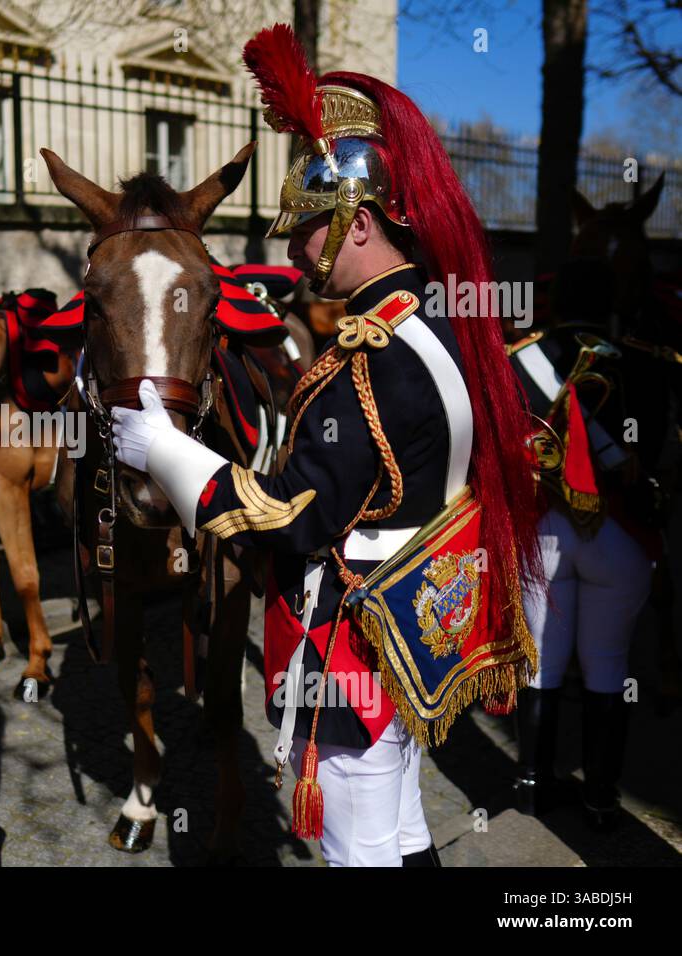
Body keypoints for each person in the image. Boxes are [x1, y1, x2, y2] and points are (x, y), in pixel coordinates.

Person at [110, 23, 543, 866]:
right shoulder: (442, 327)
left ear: (358, 219)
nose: (294, 246)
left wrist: (161, 446)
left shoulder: (368, 361)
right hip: (421, 625)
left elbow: (289, 516)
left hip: (358, 640)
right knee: (404, 829)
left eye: (309, 225)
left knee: (361, 847)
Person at [507, 264, 656, 829]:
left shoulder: (518, 358)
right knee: (609, 664)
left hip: (542, 527)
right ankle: (599, 792)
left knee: (540, 661)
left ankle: (531, 786)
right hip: (618, 533)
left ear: (552, 301)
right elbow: (658, 453)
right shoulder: (643, 360)